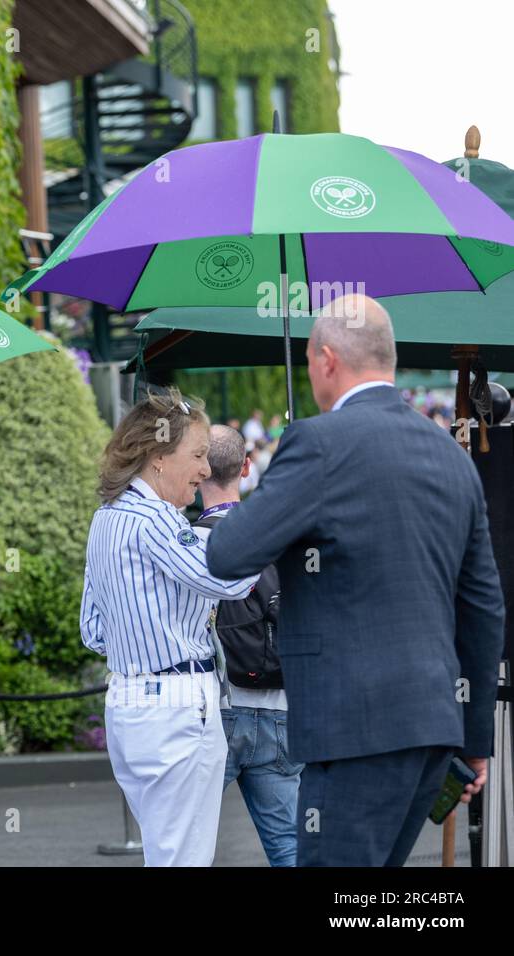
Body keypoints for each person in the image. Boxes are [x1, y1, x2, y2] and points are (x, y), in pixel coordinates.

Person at [206, 294, 506, 867]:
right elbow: (484, 609)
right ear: (388, 361)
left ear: (324, 359)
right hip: (433, 731)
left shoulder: (317, 444)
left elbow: (227, 553)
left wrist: (273, 492)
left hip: (353, 729)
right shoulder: (450, 457)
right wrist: (473, 740)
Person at [79, 388, 258, 866]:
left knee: (169, 852)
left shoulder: (106, 519)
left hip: (128, 705)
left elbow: (93, 629)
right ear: (158, 458)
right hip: (177, 708)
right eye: (197, 456)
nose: (205, 470)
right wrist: (272, 532)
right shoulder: (156, 519)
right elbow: (230, 581)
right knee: (183, 857)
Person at [193, 425, 300, 867]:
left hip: (215, 711)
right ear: (246, 466)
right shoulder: (278, 535)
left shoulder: (185, 542)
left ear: (198, 470)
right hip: (280, 708)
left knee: (183, 842)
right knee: (290, 846)